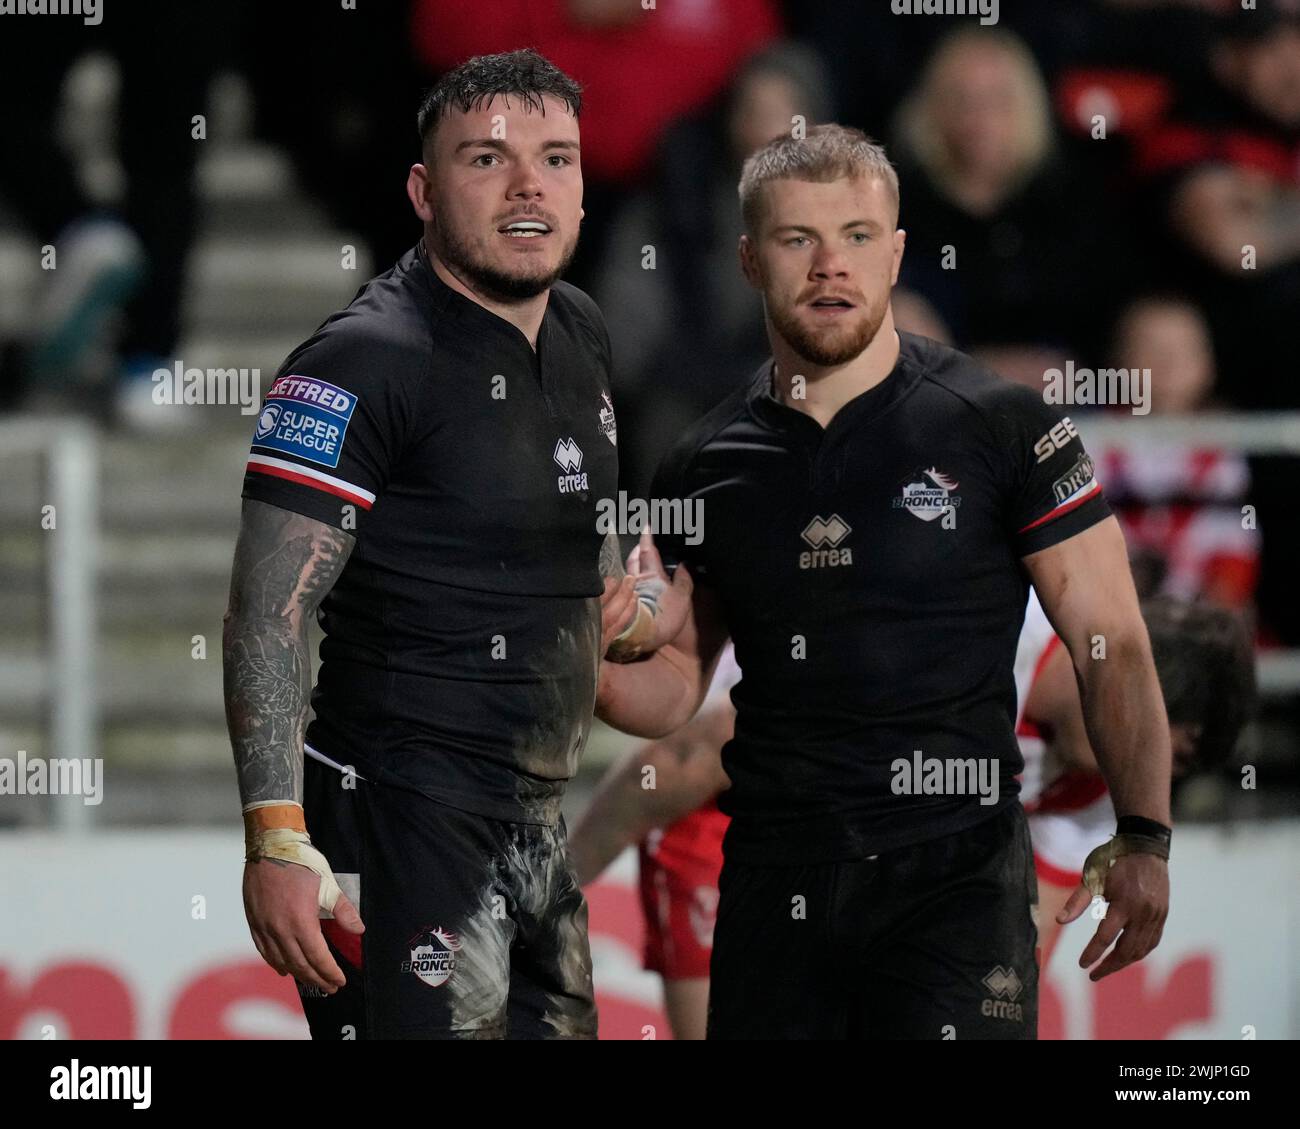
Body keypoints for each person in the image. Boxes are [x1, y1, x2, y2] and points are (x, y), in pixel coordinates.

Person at [593, 124, 1173, 1040]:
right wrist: (585, 656)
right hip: (773, 882)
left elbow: (1116, 642)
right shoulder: (700, 463)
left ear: (898, 251)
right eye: (799, 240)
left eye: (858, 236)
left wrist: (1144, 834)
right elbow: (674, 687)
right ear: (749, 258)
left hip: (954, 886)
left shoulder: (1006, 424)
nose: (832, 266)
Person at [222, 48, 687, 1040]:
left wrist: (636, 607)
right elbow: (268, 608)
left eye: (556, 159)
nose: (529, 185)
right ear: (423, 191)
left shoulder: (580, 330)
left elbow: (597, 566)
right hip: (397, 812)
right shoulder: (362, 360)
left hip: (532, 819)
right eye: (488, 159)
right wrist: (274, 836)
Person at [572, 590, 1255, 1037]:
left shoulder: (1102, 791)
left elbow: (1014, 953)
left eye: (1168, 766)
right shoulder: (971, 645)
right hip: (730, 808)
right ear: (1131, 688)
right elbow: (695, 754)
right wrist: (562, 885)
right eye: (1157, 745)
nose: (1139, 771)